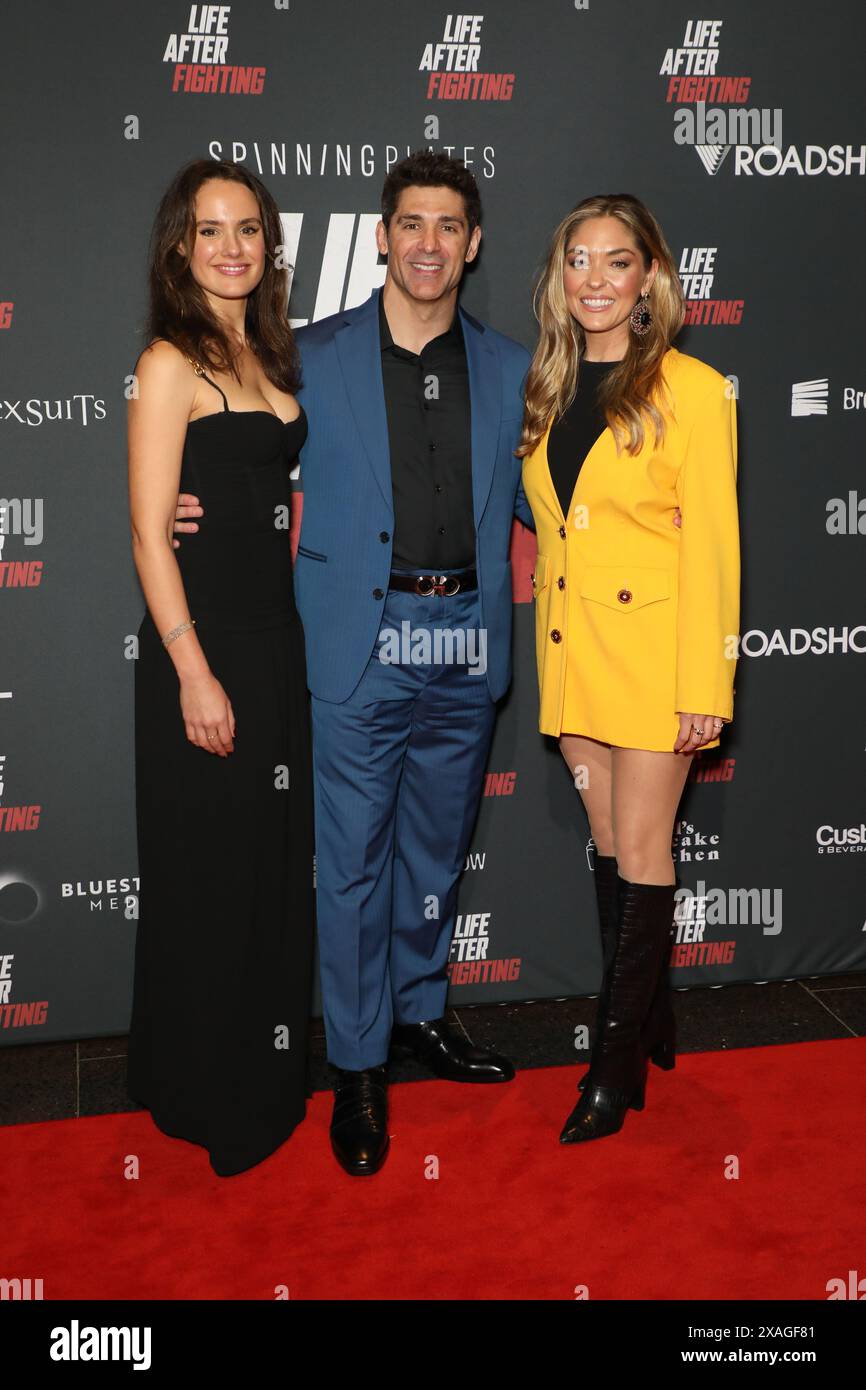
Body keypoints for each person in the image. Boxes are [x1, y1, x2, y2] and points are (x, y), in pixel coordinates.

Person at [173, 151, 536, 1177]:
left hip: (462, 636)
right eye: (410, 224)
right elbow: (238, 445)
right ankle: (359, 1061)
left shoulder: (509, 368)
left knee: (430, 854)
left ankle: (422, 1014)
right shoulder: (311, 354)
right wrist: (172, 499)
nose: (427, 243)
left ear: (471, 244)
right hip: (356, 644)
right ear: (382, 236)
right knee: (352, 865)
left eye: (447, 226)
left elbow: (546, 502)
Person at [518, 193, 739, 1143]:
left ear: (650, 276)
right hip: (575, 658)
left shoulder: (692, 387)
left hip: (656, 661)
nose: (596, 279)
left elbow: (715, 552)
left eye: (618, 261)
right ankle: (651, 1019)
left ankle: (609, 1077)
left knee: (645, 853)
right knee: (609, 847)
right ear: (559, 278)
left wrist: (705, 687)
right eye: (580, 260)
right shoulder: (547, 387)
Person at [127, 159, 314, 1176]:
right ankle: (208, 1091)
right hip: (204, 648)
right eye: (211, 230)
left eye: (247, 229)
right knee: (208, 876)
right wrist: (193, 671)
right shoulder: (169, 361)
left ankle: (263, 1066)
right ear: (180, 247)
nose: (232, 247)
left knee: (266, 872)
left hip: (276, 639)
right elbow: (151, 534)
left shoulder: (269, 354)